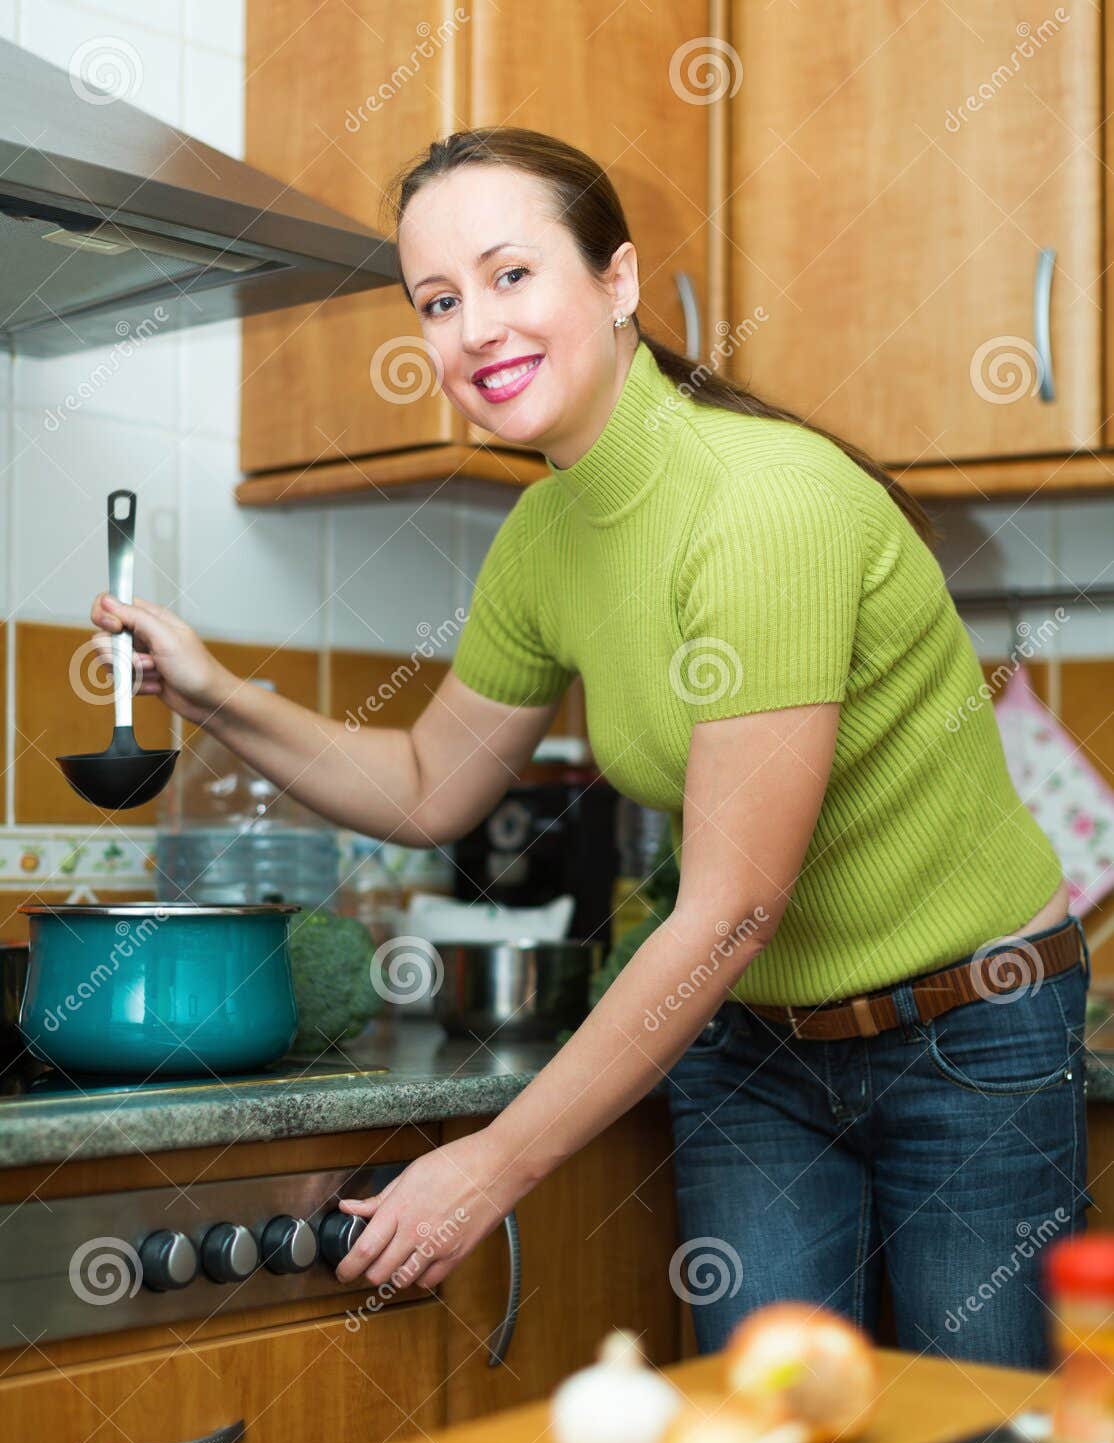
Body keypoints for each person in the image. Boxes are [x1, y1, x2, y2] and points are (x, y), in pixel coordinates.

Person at [90, 128, 1088, 1369]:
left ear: (615, 282)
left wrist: (490, 1164)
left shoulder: (764, 503)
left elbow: (729, 908)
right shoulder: (543, 537)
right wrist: (214, 693)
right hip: (749, 1049)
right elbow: (427, 784)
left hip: (969, 1033)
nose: (475, 331)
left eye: (512, 276)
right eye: (439, 302)